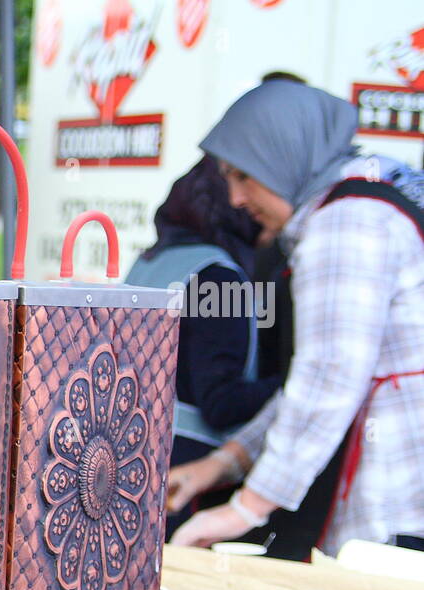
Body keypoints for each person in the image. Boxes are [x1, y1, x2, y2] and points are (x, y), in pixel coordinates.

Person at [168, 79, 424, 554]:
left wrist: (245, 508)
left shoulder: (348, 220)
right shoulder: (368, 200)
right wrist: (224, 463)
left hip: (397, 508)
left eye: (243, 175)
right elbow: (312, 386)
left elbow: (329, 377)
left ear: (281, 155)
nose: (236, 198)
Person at [126, 157, 279, 535]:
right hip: (184, 474)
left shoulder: (148, 263)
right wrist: (289, 387)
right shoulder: (218, 278)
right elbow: (220, 402)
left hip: (128, 456)